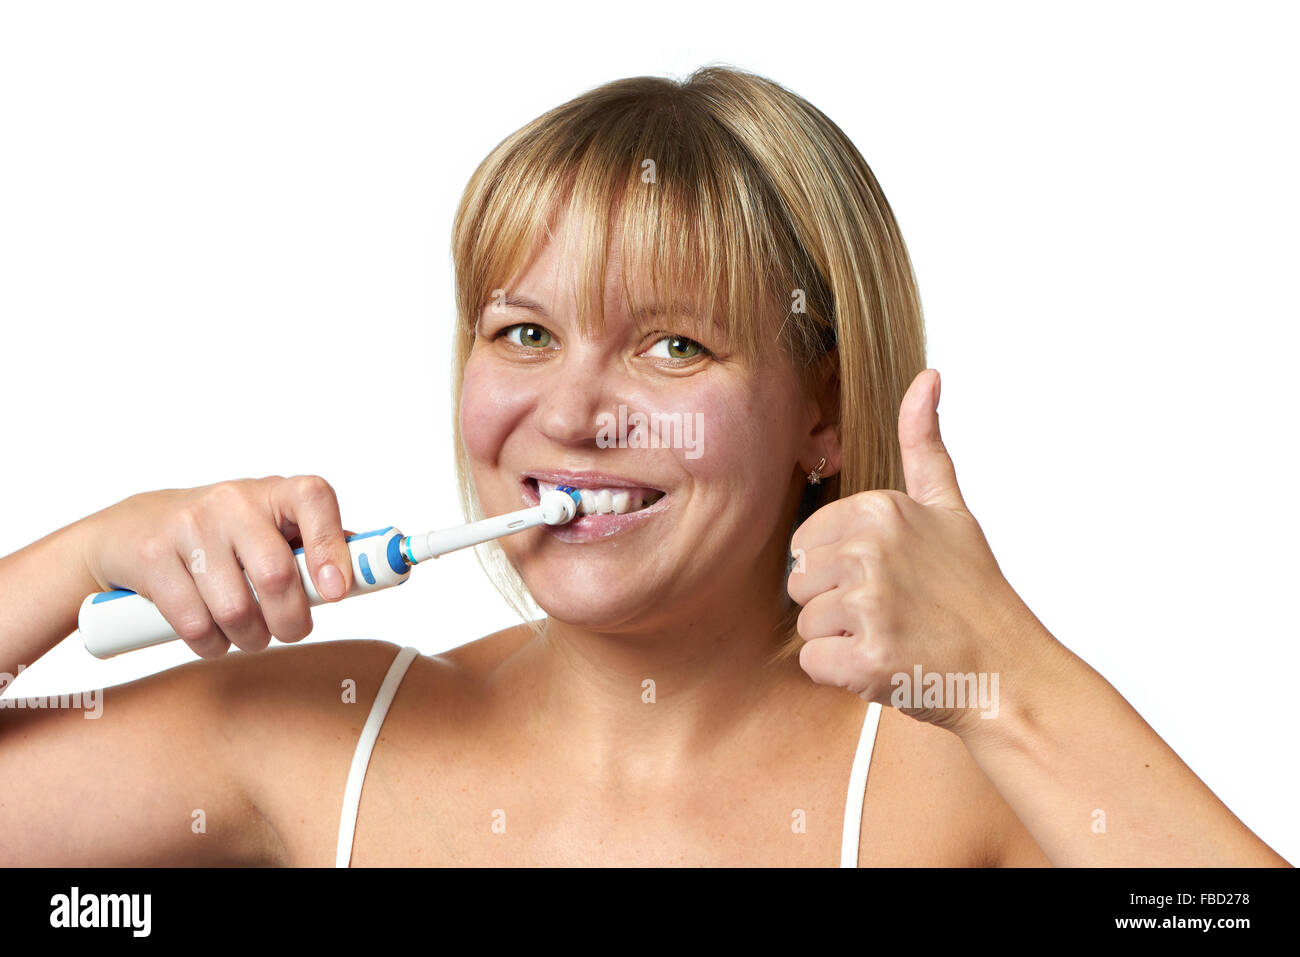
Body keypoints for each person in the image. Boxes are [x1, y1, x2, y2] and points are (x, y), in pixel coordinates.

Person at [0, 66, 1288, 867]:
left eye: (675, 345)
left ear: (825, 410)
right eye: (524, 333)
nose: (572, 412)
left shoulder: (957, 777)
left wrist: (1010, 673)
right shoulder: (319, 737)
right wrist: (79, 557)